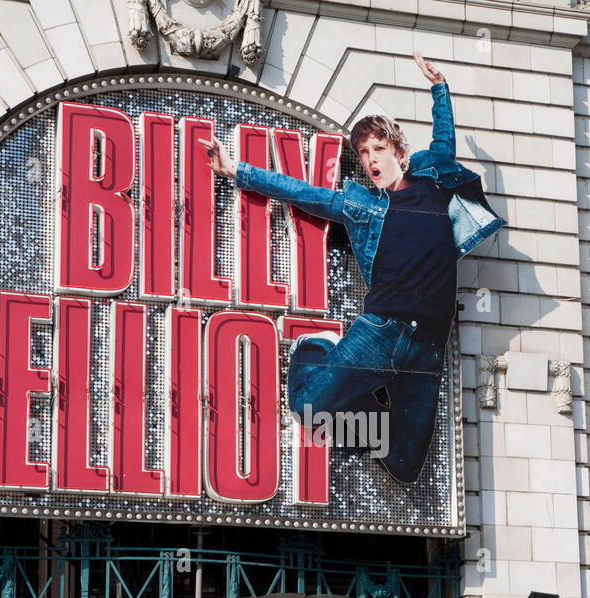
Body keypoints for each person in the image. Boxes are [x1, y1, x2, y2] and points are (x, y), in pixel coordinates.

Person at [204, 51, 506, 483]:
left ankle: (373, 393)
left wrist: (439, 88)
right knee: (307, 407)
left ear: (400, 152)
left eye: (378, 149)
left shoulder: (432, 184)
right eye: (364, 154)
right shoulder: (361, 205)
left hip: (429, 345)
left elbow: (443, 143)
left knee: (404, 465)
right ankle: (319, 350)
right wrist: (237, 170)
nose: (371, 160)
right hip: (381, 331)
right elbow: (306, 193)